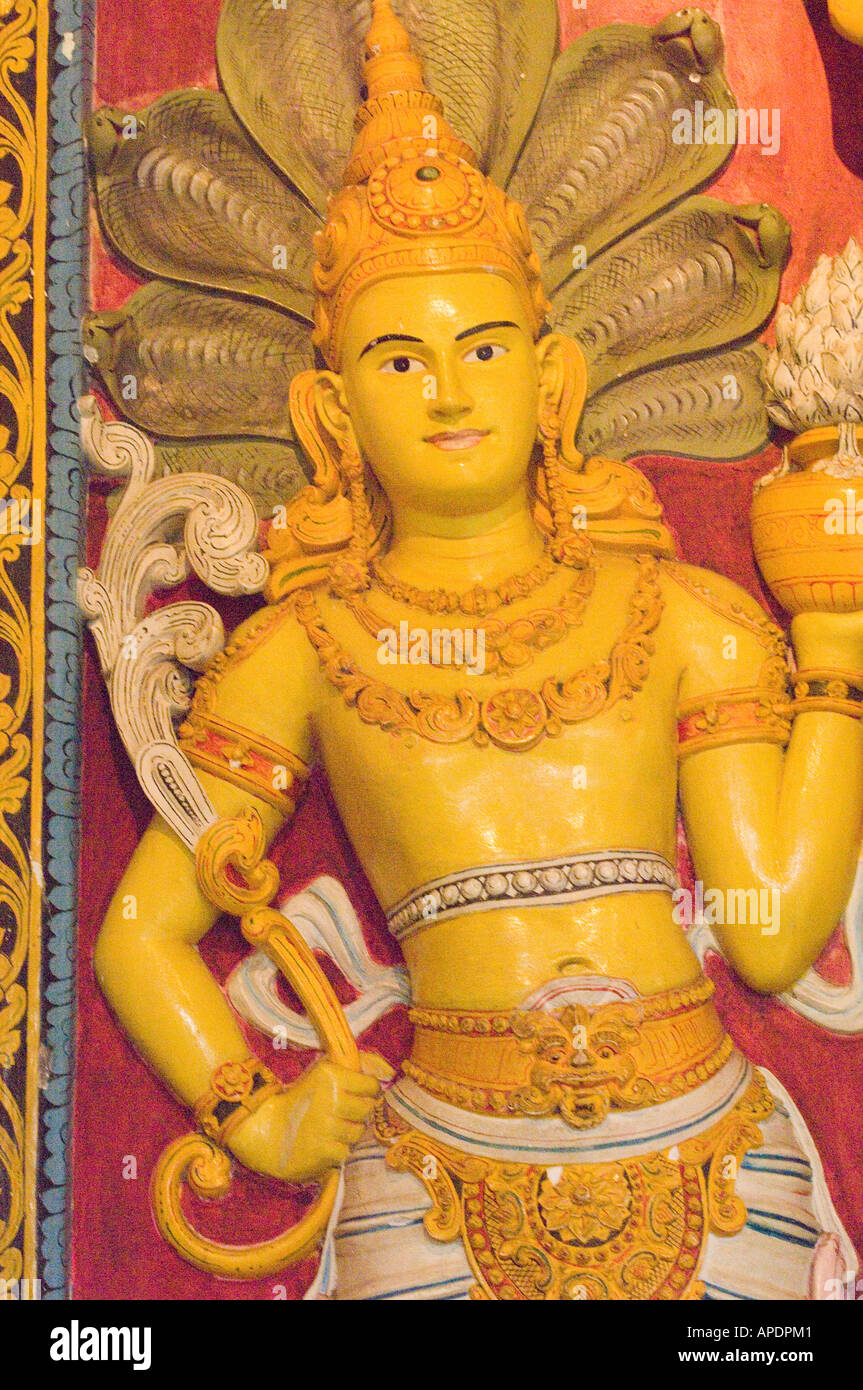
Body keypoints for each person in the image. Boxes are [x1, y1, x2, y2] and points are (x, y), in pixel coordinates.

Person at [94, 1, 862, 1300]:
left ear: (551, 379)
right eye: (400, 360)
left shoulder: (683, 618)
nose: (450, 389)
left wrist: (836, 651)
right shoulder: (306, 650)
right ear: (330, 409)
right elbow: (138, 931)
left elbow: (775, 935)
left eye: (485, 347)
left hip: (721, 1171)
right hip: (433, 1189)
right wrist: (257, 1112)